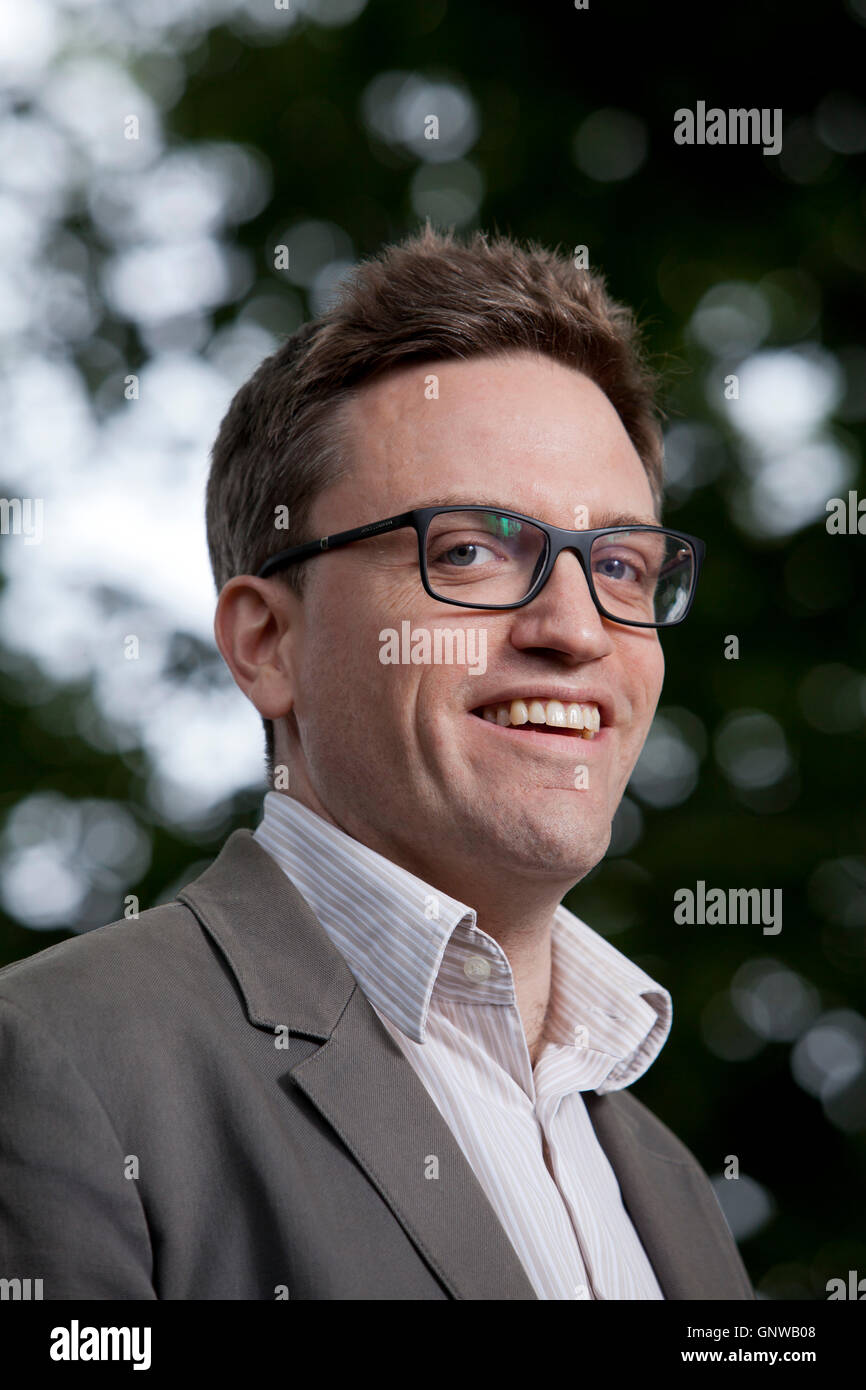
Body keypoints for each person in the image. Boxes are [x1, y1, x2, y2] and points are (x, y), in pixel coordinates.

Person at [0, 224, 753, 1300]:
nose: (575, 629)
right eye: (470, 551)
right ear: (268, 644)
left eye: (622, 566)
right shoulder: (56, 1063)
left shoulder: (669, 1192)